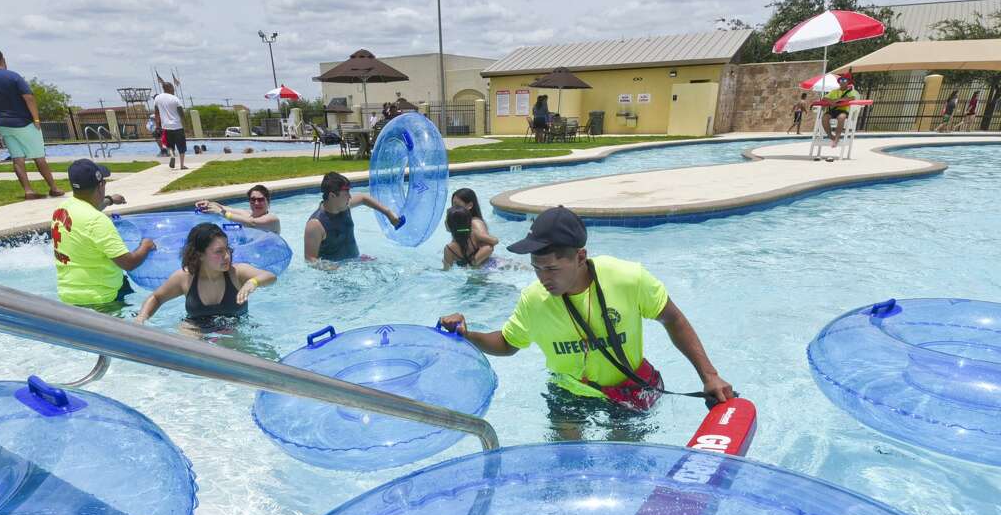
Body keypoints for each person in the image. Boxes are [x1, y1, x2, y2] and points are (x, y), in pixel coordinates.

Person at [439, 206, 734, 442]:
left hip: (626, 390)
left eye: (552, 268)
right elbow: (507, 343)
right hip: (569, 393)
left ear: (580, 257)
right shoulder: (534, 299)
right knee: (567, 467)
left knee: (624, 464)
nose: (543, 278)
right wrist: (468, 334)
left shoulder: (628, 278)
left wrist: (709, 375)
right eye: (537, 268)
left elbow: (673, 319)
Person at [51, 159, 154, 313]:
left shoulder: (62, 209)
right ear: (101, 185)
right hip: (103, 299)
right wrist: (146, 245)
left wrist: (110, 200)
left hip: (68, 294)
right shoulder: (98, 221)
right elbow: (128, 263)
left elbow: (88, 210)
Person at [134, 223, 276, 331]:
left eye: (227, 249)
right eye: (218, 252)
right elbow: (157, 298)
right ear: (200, 255)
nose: (227, 256)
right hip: (196, 329)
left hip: (236, 328)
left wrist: (253, 282)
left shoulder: (237, 272)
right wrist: (141, 319)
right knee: (185, 336)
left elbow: (270, 276)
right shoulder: (185, 278)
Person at [0, 46, 64, 200]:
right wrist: (36, 119)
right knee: (39, 156)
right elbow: (29, 97)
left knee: (17, 158)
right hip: (23, 122)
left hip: (4, 124)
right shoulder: (13, 76)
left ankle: (28, 191)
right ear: (3, 58)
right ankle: (54, 188)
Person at [304, 172, 399, 265]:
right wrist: (331, 268)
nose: (350, 197)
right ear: (332, 196)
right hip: (335, 273)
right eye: (346, 193)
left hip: (355, 262)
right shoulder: (315, 224)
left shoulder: (344, 206)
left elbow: (363, 198)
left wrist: (388, 213)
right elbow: (310, 259)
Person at [442, 187, 499, 268]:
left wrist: (472, 263)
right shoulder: (460, 223)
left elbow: (489, 246)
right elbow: (449, 228)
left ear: (470, 205)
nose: (453, 208)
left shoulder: (475, 223)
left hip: (481, 265)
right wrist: (449, 216)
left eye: (457, 205)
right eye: (453, 205)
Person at [196, 184, 280, 233]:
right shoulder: (246, 214)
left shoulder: (272, 219)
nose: (256, 203)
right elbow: (221, 207)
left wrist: (222, 213)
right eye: (253, 199)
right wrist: (208, 203)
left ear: (268, 201)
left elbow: (252, 223)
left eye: (260, 199)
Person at [152, 82, 187, 169]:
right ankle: (182, 165)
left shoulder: (157, 98)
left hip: (166, 127)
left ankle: (172, 156)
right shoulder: (175, 99)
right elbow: (181, 114)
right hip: (177, 126)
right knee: (181, 146)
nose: (174, 89)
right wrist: (186, 125)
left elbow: (156, 113)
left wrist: (157, 126)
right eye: (172, 88)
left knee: (169, 145)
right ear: (170, 88)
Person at [821, 74, 860, 149]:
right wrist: (832, 101)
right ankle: (831, 136)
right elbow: (824, 98)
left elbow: (852, 98)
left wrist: (839, 100)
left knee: (841, 118)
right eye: (841, 80)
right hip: (834, 110)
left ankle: (837, 138)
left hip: (844, 110)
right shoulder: (834, 91)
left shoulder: (851, 91)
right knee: (824, 118)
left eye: (845, 80)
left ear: (848, 82)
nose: (842, 82)